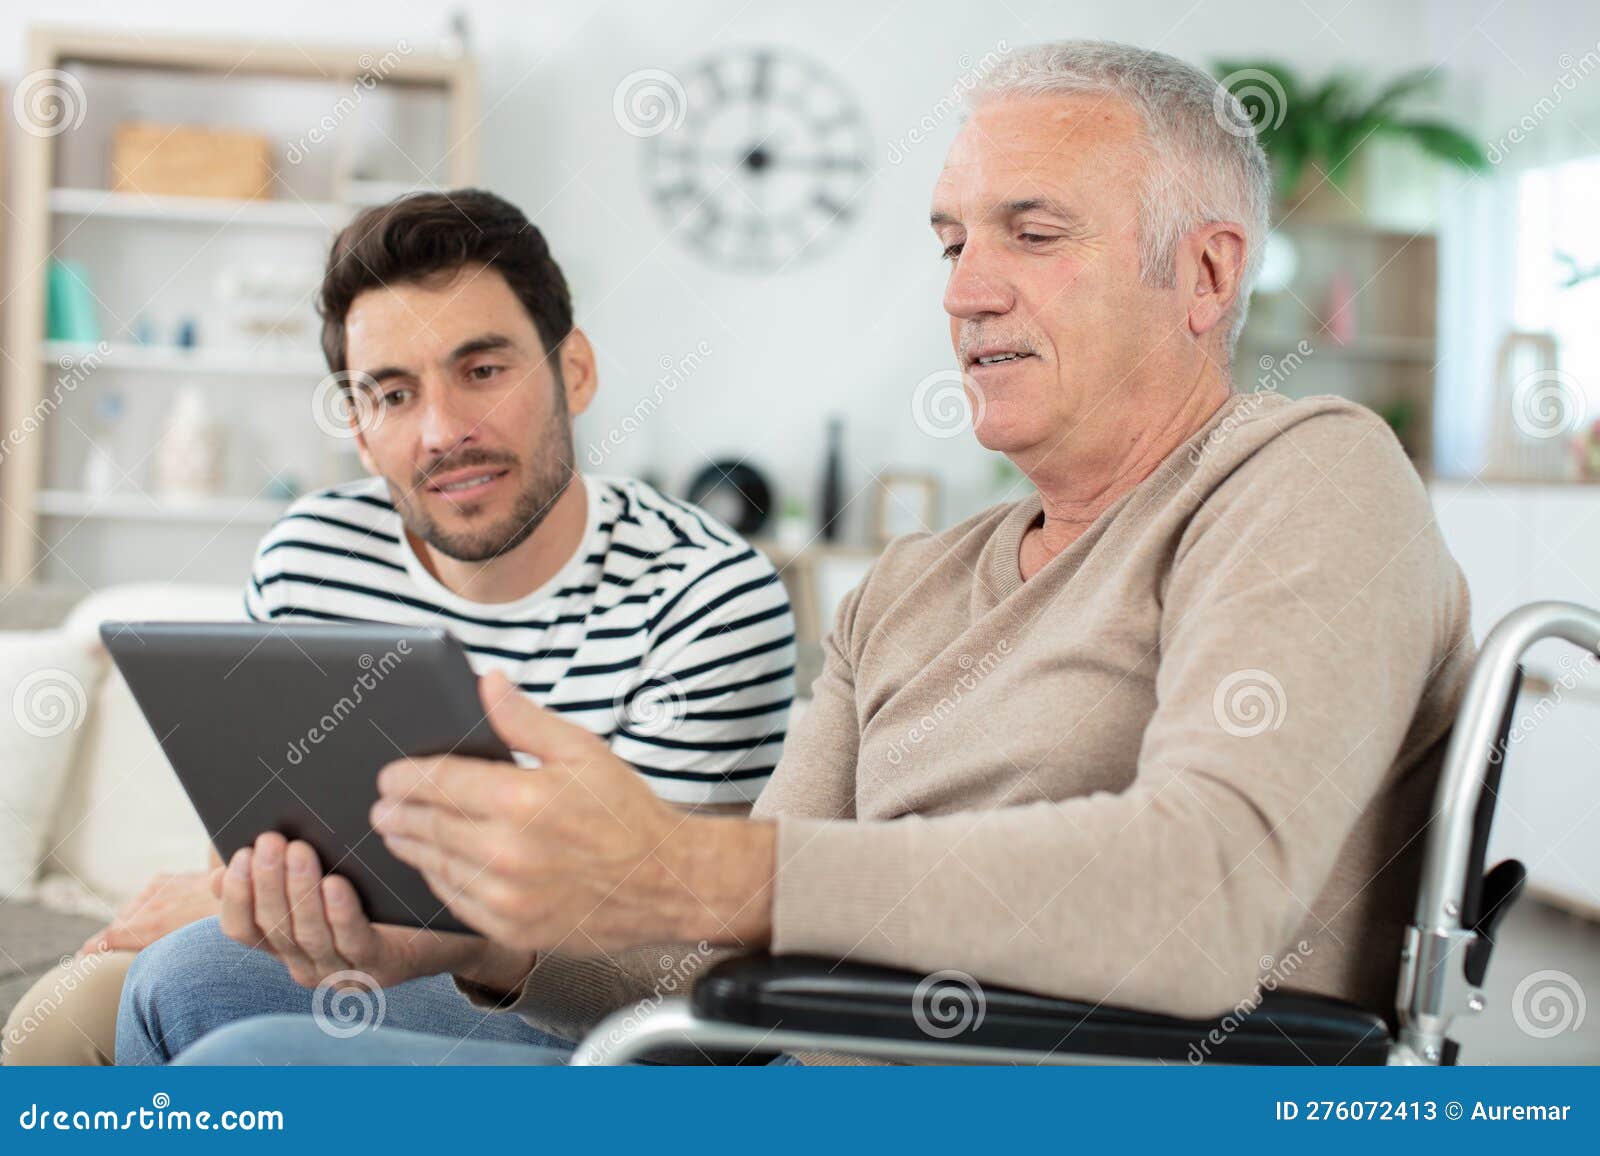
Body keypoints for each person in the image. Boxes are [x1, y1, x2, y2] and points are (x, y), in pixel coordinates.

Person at [128, 40, 1473, 1067]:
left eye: (1034, 232)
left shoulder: (1305, 473)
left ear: (1208, 275)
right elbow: (718, 955)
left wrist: (691, 864)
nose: (962, 288)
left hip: (1066, 1087)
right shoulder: (912, 585)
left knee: (259, 1060)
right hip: (789, 1060)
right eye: (950, 241)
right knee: (199, 980)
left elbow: (1208, 895)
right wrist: (494, 929)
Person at [1, 190, 794, 1065]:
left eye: (483, 371)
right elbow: (258, 846)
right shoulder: (311, 554)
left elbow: (666, 961)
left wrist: (245, 914)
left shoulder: (706, 596)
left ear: (573, 372)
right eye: (392, 393)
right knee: (62, 1017)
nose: (444, 432)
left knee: (184, 979)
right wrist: (245, 896)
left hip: (585, 1013)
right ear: (358, 427)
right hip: (351, 959)